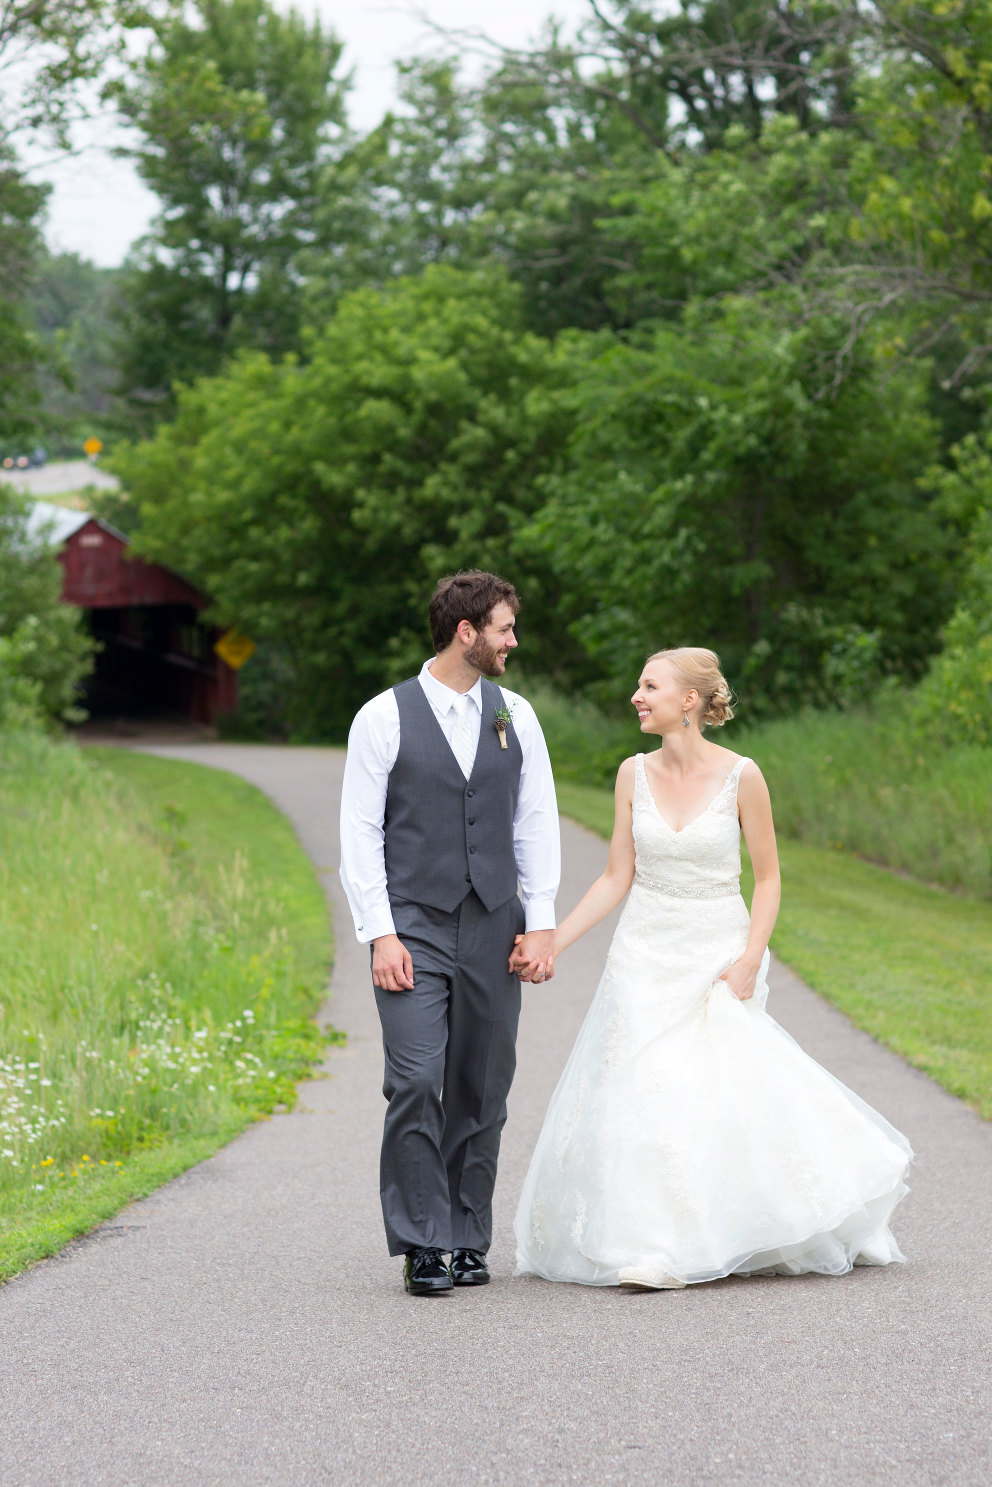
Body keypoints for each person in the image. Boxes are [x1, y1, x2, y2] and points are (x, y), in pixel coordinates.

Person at [513, 647, 912, 1290]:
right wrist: (555, 940)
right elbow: (618, 875)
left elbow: (770, 876)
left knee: (714, 1091)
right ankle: (649, 1243)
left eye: (650, 686)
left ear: (690, 701)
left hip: (716, 950)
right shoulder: (629, 774)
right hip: (643, 949)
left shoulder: (742, 776)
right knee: (639, 1089)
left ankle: (748, 1223)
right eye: (639, 685)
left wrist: (751, 957)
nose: (636, 697)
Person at [340, 571, 560, 1295]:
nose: (512, 641)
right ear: (467, 632)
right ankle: (423, 1240)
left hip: (496, 921)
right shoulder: (383, 716)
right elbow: (360, 832)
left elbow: (535, 820)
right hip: (412, 927)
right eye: (503, 628)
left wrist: (542, 921)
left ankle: (468, 1234)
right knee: (415, 1079)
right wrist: (380, 932)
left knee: (482, 1083)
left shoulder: (517, 714)